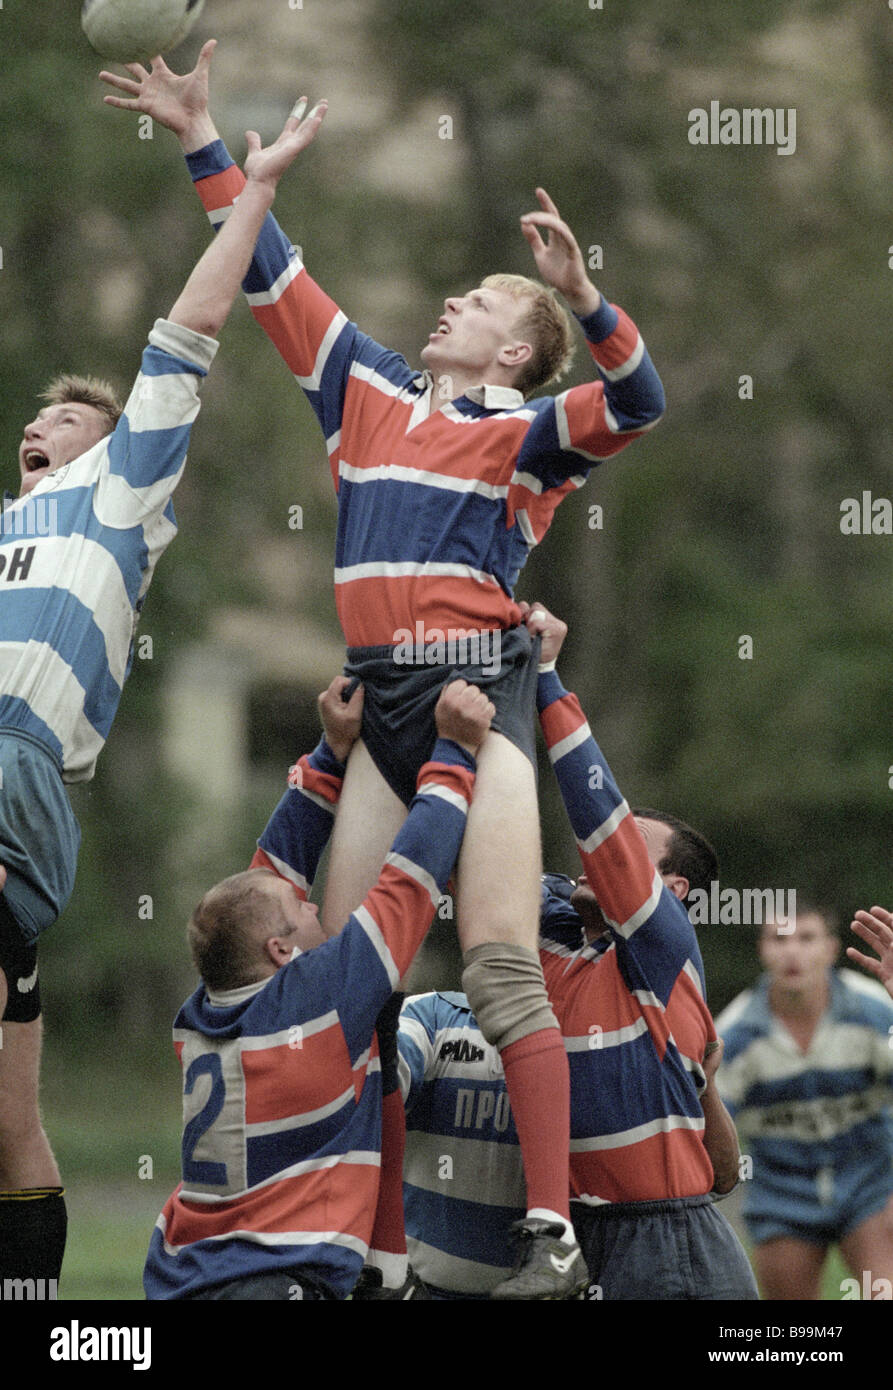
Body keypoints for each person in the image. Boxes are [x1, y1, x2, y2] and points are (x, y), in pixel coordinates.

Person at [100, 42, 664, 1295]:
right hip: (382, 709)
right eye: (465, 290)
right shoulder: (364, 387)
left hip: (482, 694)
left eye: (480, 299)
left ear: (516, 352)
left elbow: (639, 401)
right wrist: (203, 139)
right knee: (352, 989)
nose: (453, 303)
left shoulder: (524, 435)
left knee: (501, 963)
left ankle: (550, 1234)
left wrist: (578, 296)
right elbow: (269, 273)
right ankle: (391, 1252)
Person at [0, 110, 326, 1288]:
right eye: (33, 421)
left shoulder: (123, 489)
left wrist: (250, 178)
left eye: (69, 418)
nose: (40, 425)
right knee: (11, 1119)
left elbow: (191, 318)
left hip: (18, 768)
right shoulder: (8, 527)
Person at [395, 602, 757, 1299]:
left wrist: (549, 684)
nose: (599, 855)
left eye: (628, 847)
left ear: (672, 889)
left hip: (666, 1238)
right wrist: (452, 717)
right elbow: (466, 852)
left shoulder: (661, 948)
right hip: (583, 1240)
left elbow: (596, 818)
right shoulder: (558, 935)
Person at [144, 676, 493, 1300]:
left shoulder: (202, 1015)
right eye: (302, 909)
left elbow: (262, 887)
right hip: (269, 1283)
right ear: (280, 951)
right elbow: (409, 882)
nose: (315, 910)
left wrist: (330, 754)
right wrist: (454, 755)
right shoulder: (321, 1003)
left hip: (182, 1275)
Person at [717, 906, 893, 1300]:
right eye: (779, 939)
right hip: (782, 1194)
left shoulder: (874, 1009)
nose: (792, 952)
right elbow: (706, 1130)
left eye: (806, 938)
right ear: (763, 950)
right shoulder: (734, 1035)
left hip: (871, 1182)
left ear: (831, 949)